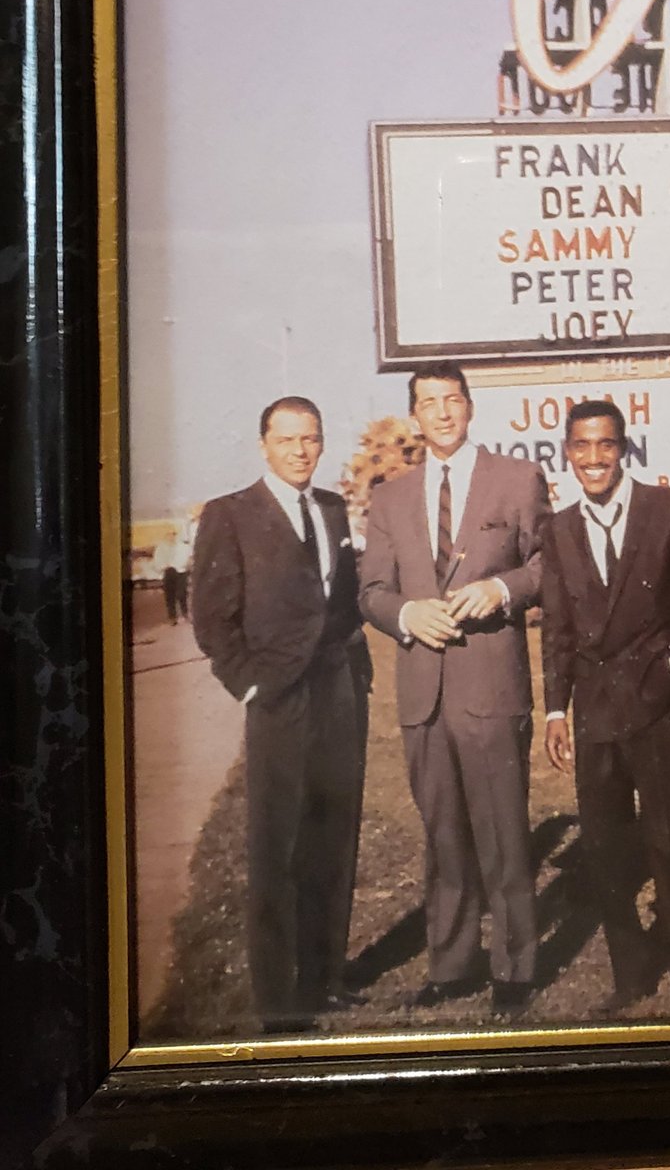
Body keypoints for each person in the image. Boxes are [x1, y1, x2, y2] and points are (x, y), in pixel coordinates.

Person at [358, 360, 550, 1019]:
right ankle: (452, 964)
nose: (441, 412)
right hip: (423, 693)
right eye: (428, 402)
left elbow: (548, 563)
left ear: (470, 406)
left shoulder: (516, 479)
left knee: (502, 832)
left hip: (491, 686)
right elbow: (372, 590)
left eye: (452, 399)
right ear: (415, 414)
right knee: (443, 836)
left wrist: (501, 590)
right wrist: (406, 616)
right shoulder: (389, 497)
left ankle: (516, 965)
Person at [191, 396, 371, 1034]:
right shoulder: (230, 514)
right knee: (278, 849)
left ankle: (325, 978)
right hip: (279, 700)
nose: (301, 450)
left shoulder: (332, 508)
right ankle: (278, 1001)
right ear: (263, 444)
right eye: (288, 439)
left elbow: (341, 603)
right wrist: (247, 685)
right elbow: (212, 618)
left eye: (311, 439)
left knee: (333, 839)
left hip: (339, 698)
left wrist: (359, 675)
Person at [542, 401, 670, 1017]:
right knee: (604, 847)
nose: (594, 459)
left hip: (654, 703)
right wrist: (554, 711)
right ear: (567, 451)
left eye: (606, 445)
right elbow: (558, 628)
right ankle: (631, 974)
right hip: (592, 713)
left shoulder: (669, 510)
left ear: (624, 448)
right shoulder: (557, 528)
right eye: (582, 447)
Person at [154, 527, 191, 624]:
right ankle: (172, 617)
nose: (171, 536)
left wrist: (185, 564)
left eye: (173, 534)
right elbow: (158, 561)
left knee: (182, 594)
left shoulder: (182, 546)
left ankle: (185, 613)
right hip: (168, 572)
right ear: (165, 536)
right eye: (169, 534)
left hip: (181, 572)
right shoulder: (161, 548)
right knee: (170, 596)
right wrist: (165, 566)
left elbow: (188, 557)